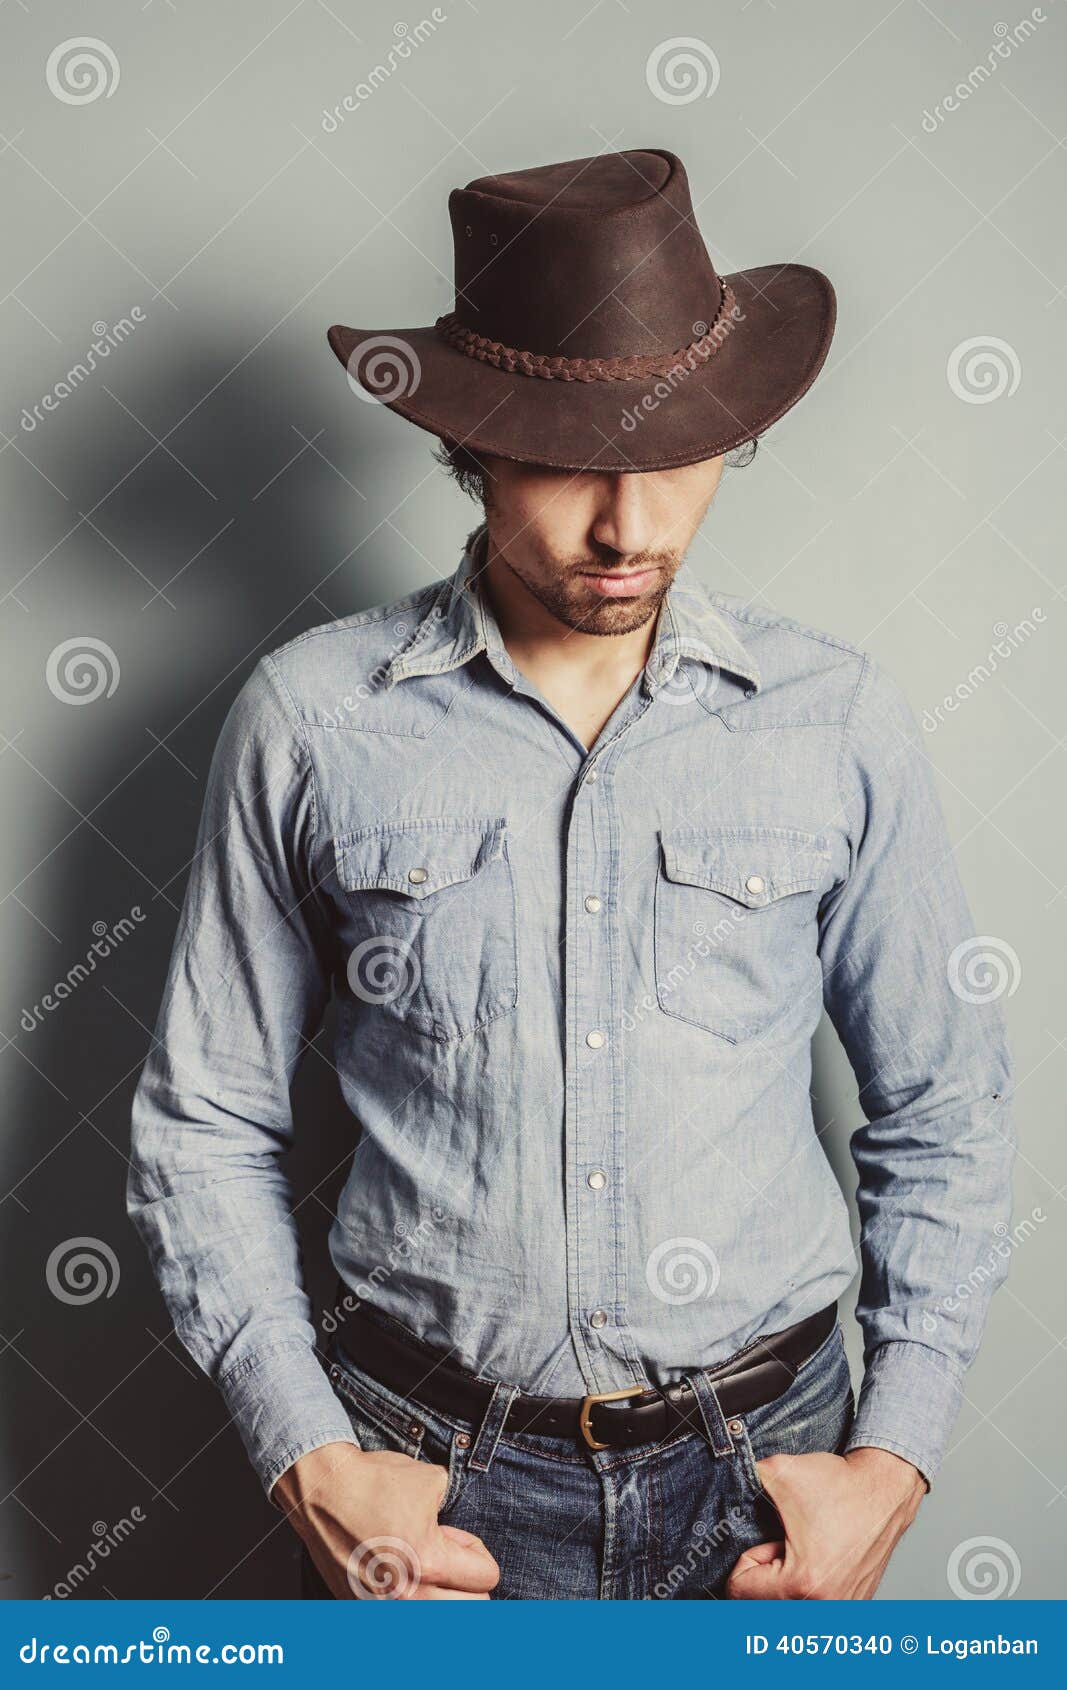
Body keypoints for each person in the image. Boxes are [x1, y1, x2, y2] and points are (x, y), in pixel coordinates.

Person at [128, 149, 1014, 1600]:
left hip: (770, 1479)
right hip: (430, 1479)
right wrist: (310, 1459)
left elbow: (944, 1106)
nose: (629, 526)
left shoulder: (836, 717)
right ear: (470, 448)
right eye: (564, 461)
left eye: (676, 460)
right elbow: (203, 1120)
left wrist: (894, 1460)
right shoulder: (312, 719)